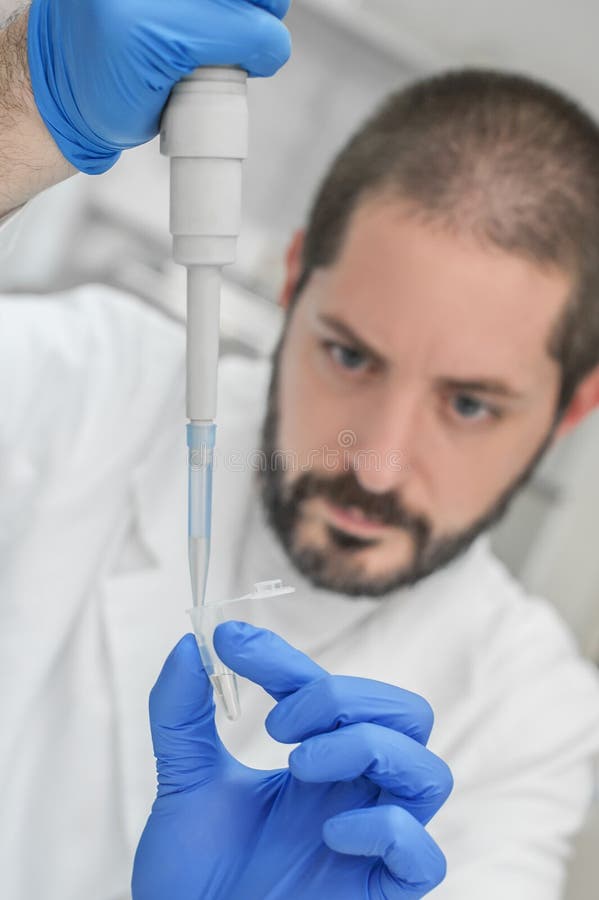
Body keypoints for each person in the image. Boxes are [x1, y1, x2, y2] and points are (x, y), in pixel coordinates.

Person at [1, 1, 599, 899]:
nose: (377, 463)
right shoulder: (90, 387)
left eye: (469, 405)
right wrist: (17, 106)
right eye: (349, 355)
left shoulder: (530, 710)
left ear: (569, 410)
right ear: (290, 283)